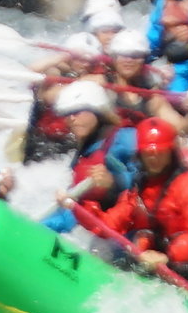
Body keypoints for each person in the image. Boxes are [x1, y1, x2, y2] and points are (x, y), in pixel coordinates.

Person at [94, 118, 188, 287]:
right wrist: (82, 207)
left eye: (160, 152)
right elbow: (110, 224)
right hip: (155, 259)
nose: (154, 158)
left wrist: (168, 256)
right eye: (148, 153)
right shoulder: (142, 186)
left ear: (171, 152)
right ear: (140, 154)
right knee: (122, 258)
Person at [41, 80, 132, 234]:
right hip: (92, 226)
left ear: (96, 110)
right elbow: (75, 209)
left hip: (122, 228)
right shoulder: (86, 148)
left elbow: (151, 179)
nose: (71, 119)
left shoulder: (125, 138)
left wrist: (115, 182)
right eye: (67, 115)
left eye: (76, 112)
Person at [101, 29, 180, 128]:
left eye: (135, 56)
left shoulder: (152, 97)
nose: (129, 60)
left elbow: (180, 128)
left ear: (144, 60)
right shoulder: (101, 85)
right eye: (123, 55)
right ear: (114, 58)